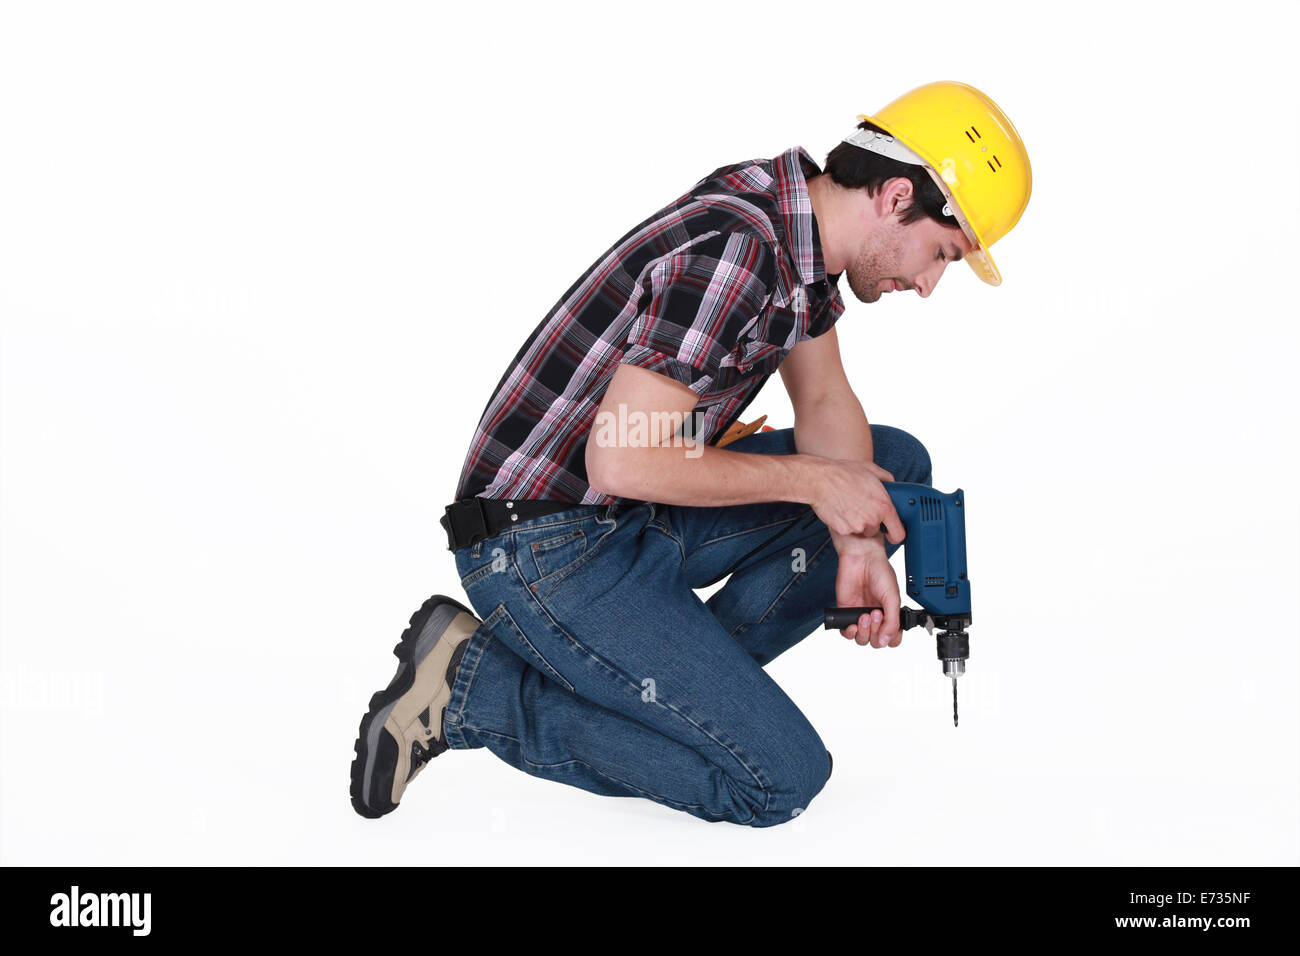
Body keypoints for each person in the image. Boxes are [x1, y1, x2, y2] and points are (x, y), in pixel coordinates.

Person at [350, 81, 1032, 827]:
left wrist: (858, 541)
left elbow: (826, 401)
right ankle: (476, 689)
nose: (930, 285)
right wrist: (815, 485)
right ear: (897, 196)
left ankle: (678, 685)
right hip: (542, 545)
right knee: (777, 779)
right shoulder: (738, 252)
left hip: (626, 517)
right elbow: (622, 458)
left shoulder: (796, 229)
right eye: (942, 254)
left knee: (890, 469)